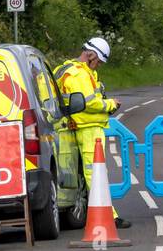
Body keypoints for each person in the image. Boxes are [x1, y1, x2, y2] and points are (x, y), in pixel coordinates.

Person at [55, 37, 130, 228]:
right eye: (99, 62)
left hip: (70, 127)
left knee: (83, 174)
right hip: (88, 129)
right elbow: (89, 102)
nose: (99, 66)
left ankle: (93, 211)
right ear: (91, 55)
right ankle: (108, 216)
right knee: (95, 174)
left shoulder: (64, 69)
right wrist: (110, 104)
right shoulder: (79, 74)